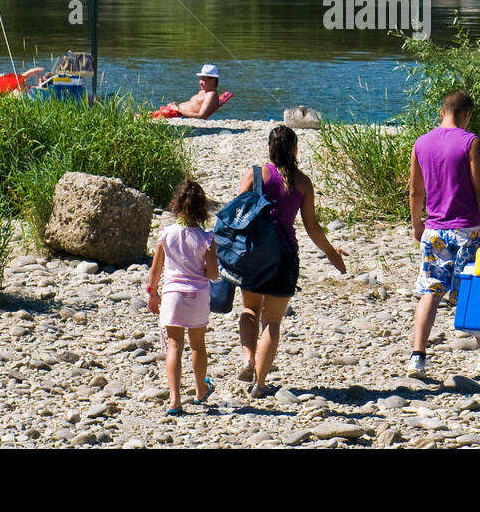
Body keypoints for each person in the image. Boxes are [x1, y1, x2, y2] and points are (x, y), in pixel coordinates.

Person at [407, 90, 480, 379]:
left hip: (434, 230)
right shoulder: (469, 141)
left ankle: (417, 357)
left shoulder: (421, 143)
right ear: (466, 114)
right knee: (473, 291)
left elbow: (415, 190)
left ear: (442, 112)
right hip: (467, 230)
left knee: (431, 290)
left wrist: (417, 224)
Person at [235, 125, 347, 398]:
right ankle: (260, 384)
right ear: (294, 149)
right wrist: (331, 253)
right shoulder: (303, 182)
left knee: (250, 311)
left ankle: (248, 359)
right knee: (272, 322)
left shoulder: (255, 174)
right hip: (284, 258)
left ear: (269, 149)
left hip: (254, 254)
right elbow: (312, 227)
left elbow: (236, 216)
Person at [146, 180, 220, 415]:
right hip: (197, 295)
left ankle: (174, 399)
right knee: (198, 345)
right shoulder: (207, 239)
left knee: (174, 346)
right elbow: (213, 273)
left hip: (173, 295)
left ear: (176, 205)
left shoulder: (166, 234)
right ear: (202, 209)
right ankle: (200, 391)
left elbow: (155, 270)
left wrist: (153, 293)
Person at [153, 63, 224, 119]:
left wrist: (177, 109)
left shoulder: (211, 95)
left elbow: (201, 116)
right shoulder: (203, 92)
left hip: (178, 115)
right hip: (175, 111)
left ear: (213, 80)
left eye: (204, 80)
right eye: (200, 79)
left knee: (147, 116)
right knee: (146, 114)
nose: (200, 82)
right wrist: (174, 107)